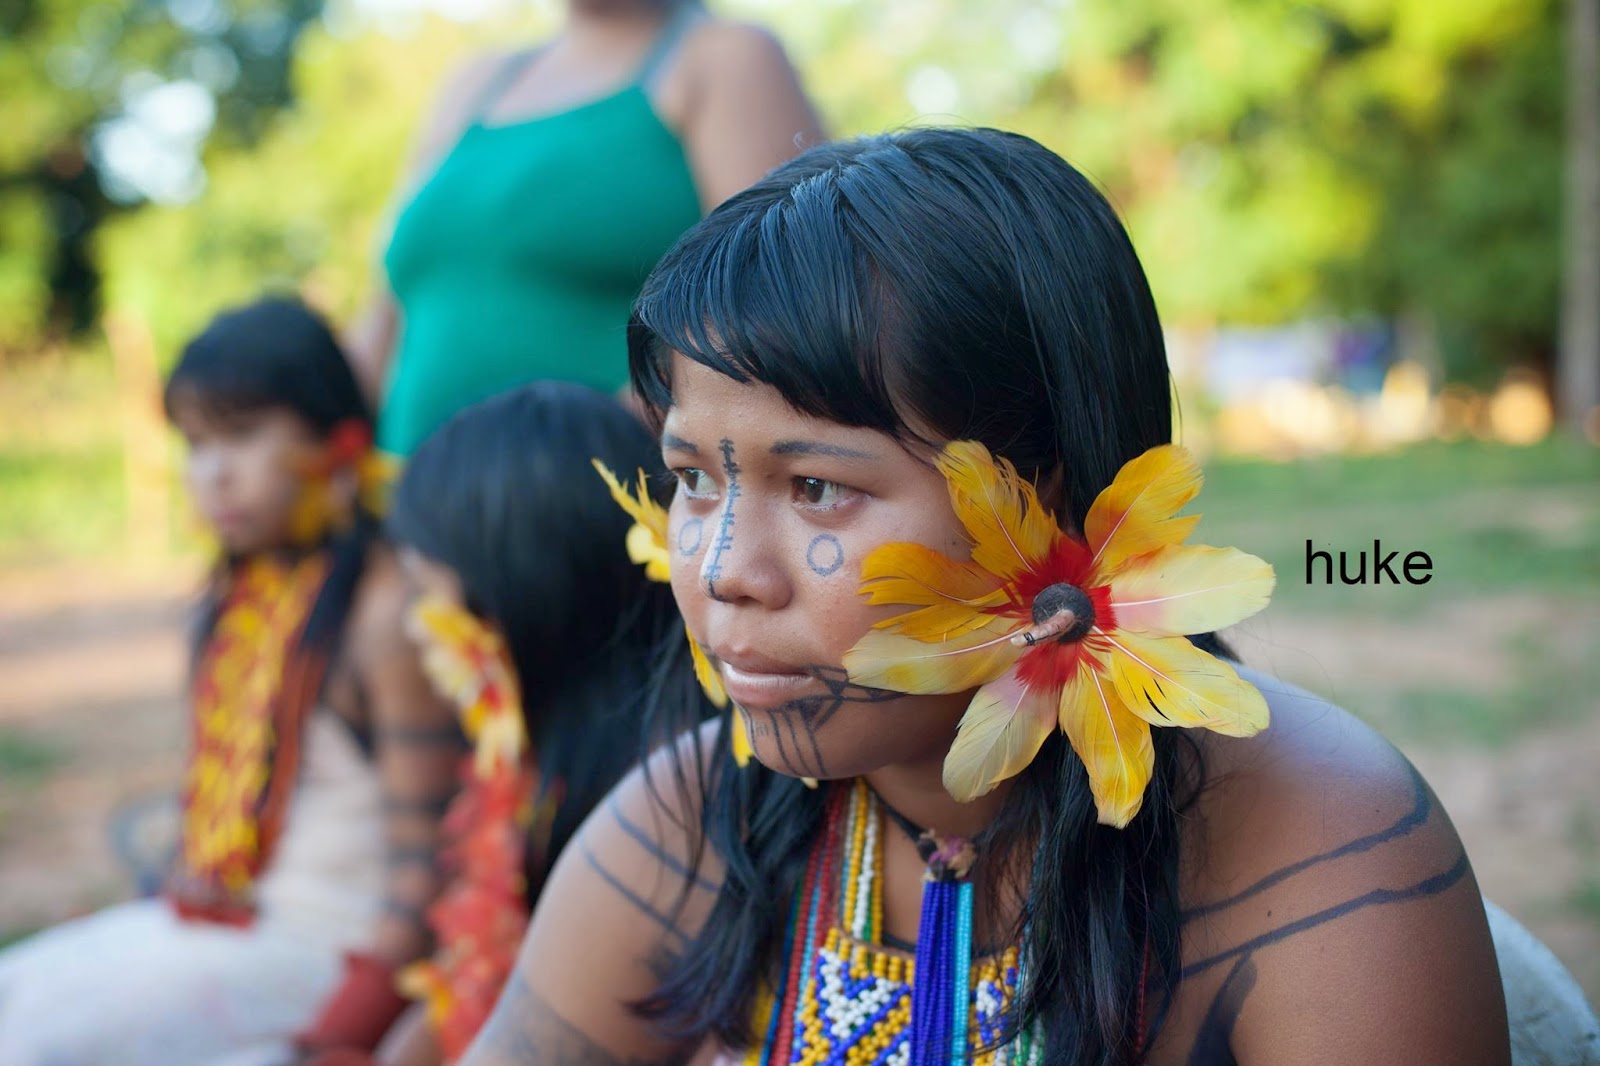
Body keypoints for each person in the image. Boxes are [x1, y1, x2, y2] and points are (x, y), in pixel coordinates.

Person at [455, 128, 1514, 1066]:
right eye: (694, 478)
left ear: (1041, 503)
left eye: (817, 488)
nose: (725, 568)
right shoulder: (690, 822)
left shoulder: (1309, 839)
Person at [0, 296, 458, 1066]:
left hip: (326, 947)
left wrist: (347, 1033)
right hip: (214, 923)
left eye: (241, 437)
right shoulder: (238, 596)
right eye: (195, 443)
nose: (213, 474)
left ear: (337, 442)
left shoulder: (386, 611)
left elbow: (432, 862)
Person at [314, 381, 708, 1065]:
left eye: (427, 595)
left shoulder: (655, 810)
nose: (416, 629)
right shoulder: (526, 767)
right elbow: (460, 991)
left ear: (518, 601)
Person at [345, 0, 826, 456]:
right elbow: (385, 319)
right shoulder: (474, 82)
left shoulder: (723, 57)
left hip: (600, 515)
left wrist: (565, 466)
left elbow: (771, 306)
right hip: (407, 522)